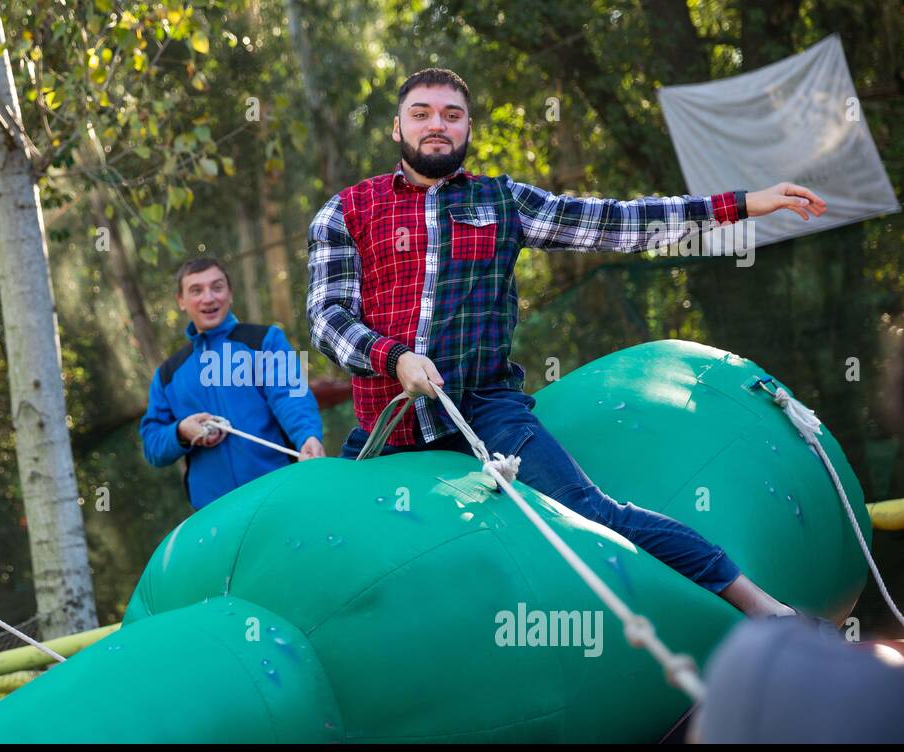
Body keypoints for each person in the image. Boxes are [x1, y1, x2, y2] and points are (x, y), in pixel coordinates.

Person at [307, 67, 829, 617]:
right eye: (421, 114)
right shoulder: (348, 211)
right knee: (341, 556)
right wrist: (394, 357)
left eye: (451, 115)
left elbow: (615, 222)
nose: (436, 125)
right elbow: (326, 318)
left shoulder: (504, 202)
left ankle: (767, 611)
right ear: (397, 128)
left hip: (487, 411)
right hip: (387, 426)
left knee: (590, 514)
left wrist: (742, 204)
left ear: (467, 128)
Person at [140, 257, 325, 509]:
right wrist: (181, 432)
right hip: (214, 516)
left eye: (217, 287)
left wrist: (307, 437)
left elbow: (290, 396)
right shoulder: (168, 375)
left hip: (279, 497)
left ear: (230, 293)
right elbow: (152, 445)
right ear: (181, 301)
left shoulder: (264, 341)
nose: (208, 298)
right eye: (196, 290)